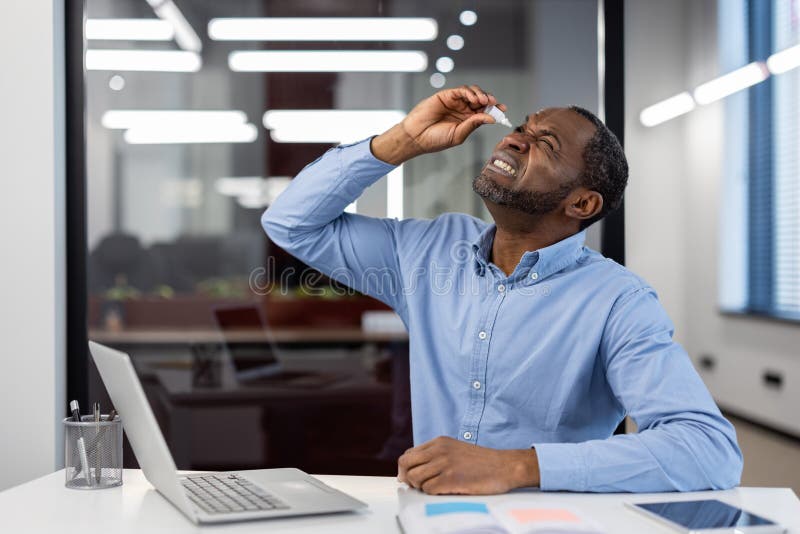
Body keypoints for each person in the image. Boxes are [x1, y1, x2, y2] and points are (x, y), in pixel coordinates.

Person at [261, 85, 742, 495]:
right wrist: (404, 139)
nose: (514, 140)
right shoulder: (428, 251)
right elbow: (290, 224)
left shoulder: (618, 302)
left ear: (582, 203)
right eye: (522, 129)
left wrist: (516, 465)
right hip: (432, 514)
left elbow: (707, 448)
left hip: (549, 521)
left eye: (545, 144)